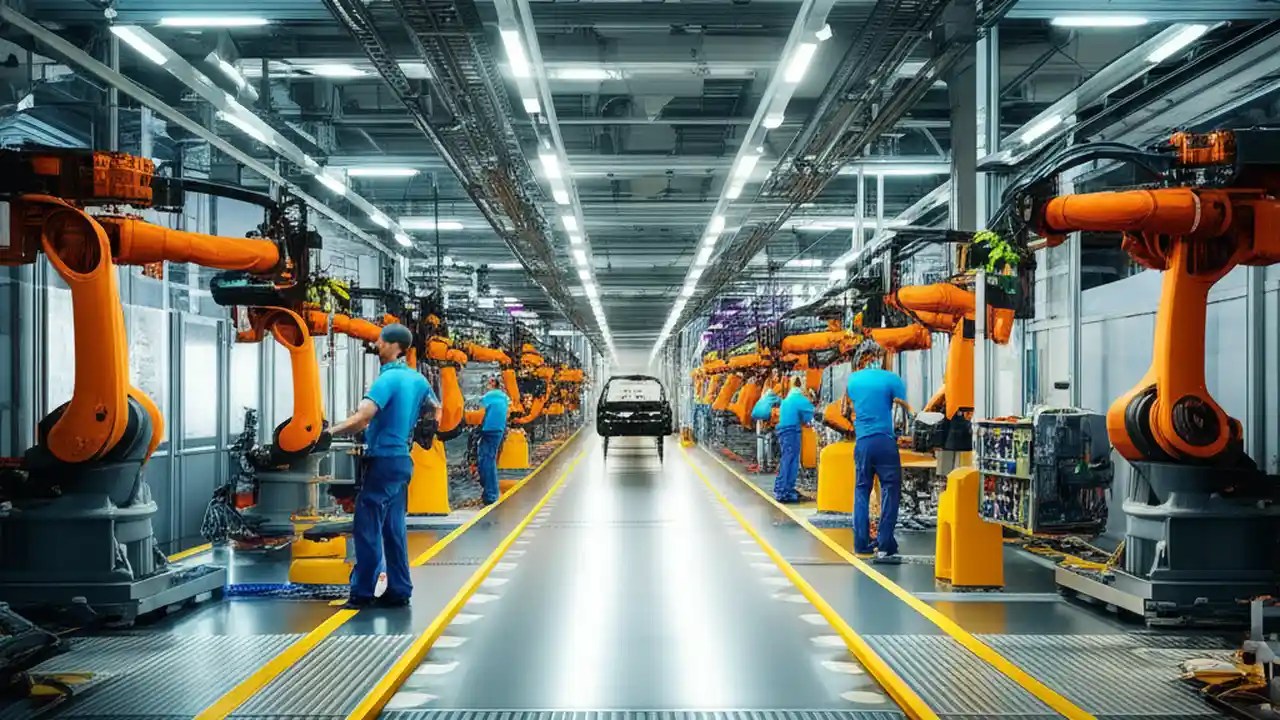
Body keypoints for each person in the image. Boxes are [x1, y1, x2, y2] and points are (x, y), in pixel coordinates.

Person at [328, 323, 438, 609]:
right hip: (402, 461)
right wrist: (422, 427)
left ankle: (362, 591)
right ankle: (399, 589)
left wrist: (327, 433)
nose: (376, 345)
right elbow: (437, 408)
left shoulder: (386, 381)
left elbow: (363, 418)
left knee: (367, 525)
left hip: (384, 461)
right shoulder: (418, 380)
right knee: (393, 528)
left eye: (379, 341)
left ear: (393, 345)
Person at [845, 348, 913, 564]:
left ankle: (861, 542)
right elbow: (905, 407)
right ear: (883, 359)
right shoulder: (891, 378)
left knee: (861, 490)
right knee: (890, 491)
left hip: (863, 442)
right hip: (885, 441)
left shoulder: (852, 380)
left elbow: (845, 409)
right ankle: (885, 545)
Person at [773, 376, 815, 503]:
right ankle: (784, 492)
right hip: (791, 432)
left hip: (783, 431)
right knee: (791, 461)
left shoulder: (788, 399)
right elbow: (813, 416)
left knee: (787, 459)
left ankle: (783, 488)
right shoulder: (800, 399)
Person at [476, 377, 511, 505]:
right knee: (489, 458)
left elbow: (478, 412)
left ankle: (491, 494)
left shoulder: (488, 396)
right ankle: (489, 491)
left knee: (486, 460)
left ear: (492, 384)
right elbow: (507, 413)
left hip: (488, 430)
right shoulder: (504, 397)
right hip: (499, 430)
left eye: (489, 382)